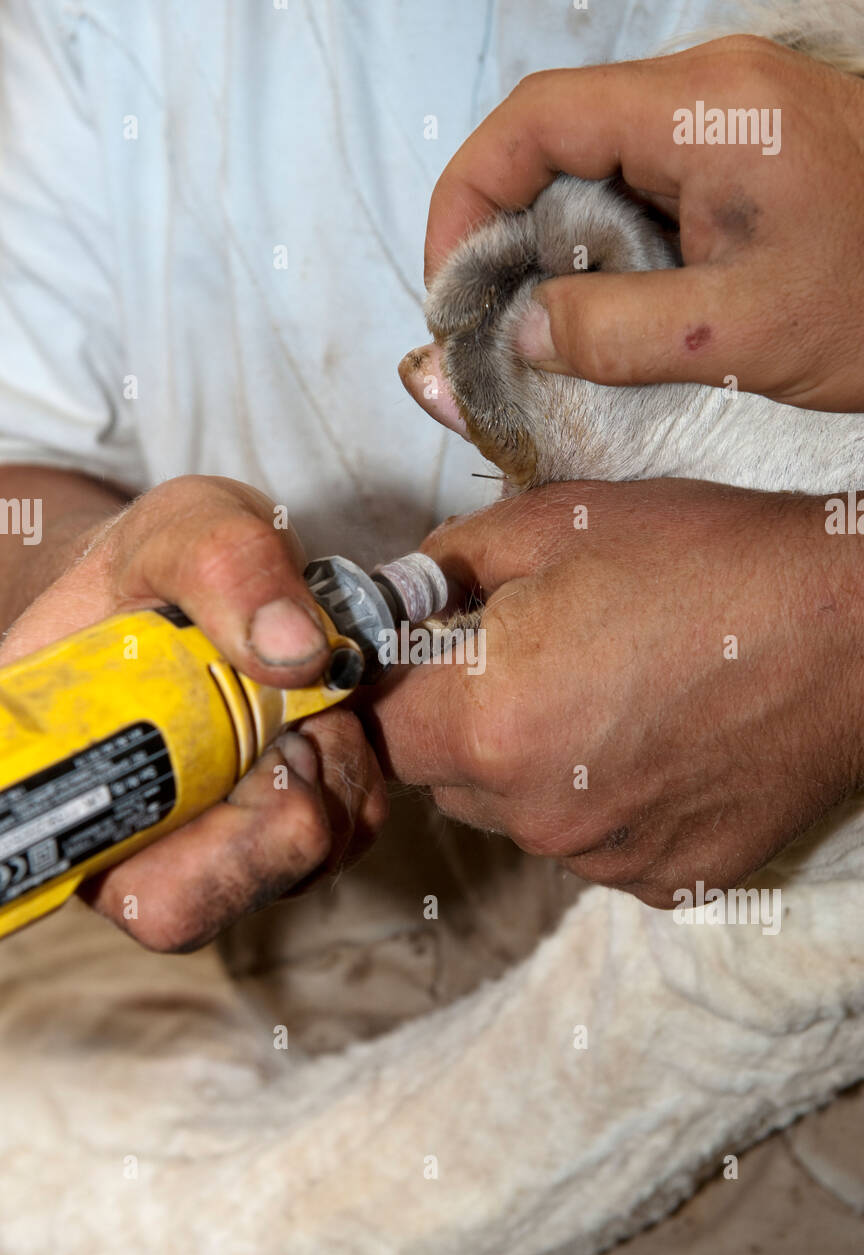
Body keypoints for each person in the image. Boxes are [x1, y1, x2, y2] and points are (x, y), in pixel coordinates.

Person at [1, 0, 863, 944]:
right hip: (337, 949)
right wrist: (113, 588)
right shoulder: (83, 28)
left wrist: (837, 634)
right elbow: (24, 464)